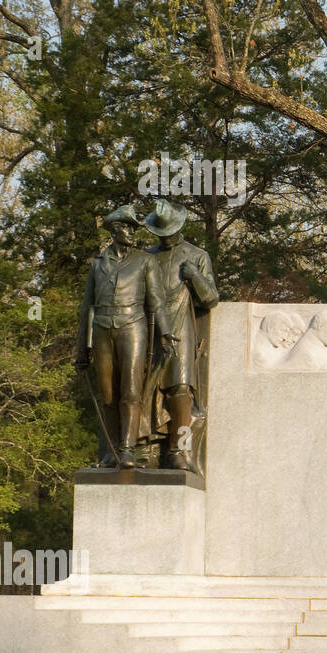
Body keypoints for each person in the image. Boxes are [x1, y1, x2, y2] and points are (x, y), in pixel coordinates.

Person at [77, 205, 169, 469]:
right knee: (107, 396)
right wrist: (82, 350)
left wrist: (166, 332)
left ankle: (127, 450)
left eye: (133, 228)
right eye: (128, 227)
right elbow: (86, 308)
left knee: (130, 391)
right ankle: (111, 452)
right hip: (103, 329)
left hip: (133, 326)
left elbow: (157, 302)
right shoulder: (97, 265)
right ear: (115, 230)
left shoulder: (145, 261)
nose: (132, 232)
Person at [142, 200, 219, 471]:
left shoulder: (197, 256)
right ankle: (147, 450)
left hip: (182, 328)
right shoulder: (147, 258)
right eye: (162, 234)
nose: (167, 238)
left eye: (171, 231)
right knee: (144, 390)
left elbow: (210, 299)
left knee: (181, 389)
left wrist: (195, 276)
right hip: (150, 331)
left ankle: (180, 450)